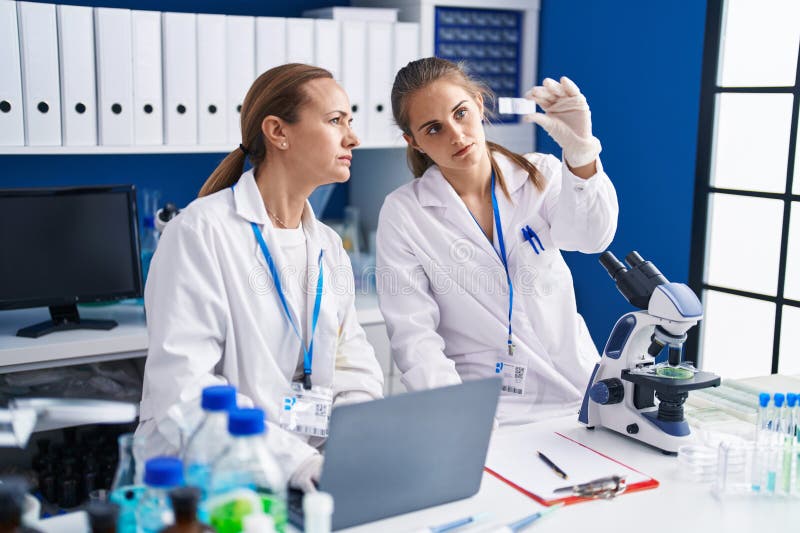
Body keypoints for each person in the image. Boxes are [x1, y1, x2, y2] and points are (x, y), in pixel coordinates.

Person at [136, 63, 384, 492]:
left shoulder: (326, 245)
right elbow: (185, 391)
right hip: (204, 481)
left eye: (351, 121)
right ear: (278, 131)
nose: (353, 137)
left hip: (302, 474)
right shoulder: (200, 233)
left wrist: (354, 442)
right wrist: (297, 462)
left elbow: (352, 364)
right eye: (335, 121)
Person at [376, 57, 618, 425]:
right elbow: (414, 335)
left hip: (579, 396)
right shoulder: (405, 212)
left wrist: (582, 153)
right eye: (433, 129)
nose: (456, 135)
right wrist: (461, 419)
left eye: (460, 113)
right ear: (414, 142)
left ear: (479, 102)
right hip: (485, 413)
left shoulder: (541, 175)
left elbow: (589, 238)